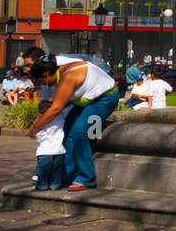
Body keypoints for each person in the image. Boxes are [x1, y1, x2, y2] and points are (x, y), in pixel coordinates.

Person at [26, 54, 120, 192]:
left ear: (46, 74)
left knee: (79, 131)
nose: (43, 85)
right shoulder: (62, 70)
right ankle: (68, 173)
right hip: (88, 99)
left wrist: (34, 129)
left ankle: (87, 178)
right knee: (67, 128)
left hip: (105, 98)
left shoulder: (67, 78)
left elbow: (55, 109)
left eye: (41, 81)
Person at [33, 99, 66, 191]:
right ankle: (55, 185)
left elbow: (35, 135)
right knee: (56, 172)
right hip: (59, 151)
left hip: (44, 152)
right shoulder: (60, 117)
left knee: (43, 172)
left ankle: (42, 186)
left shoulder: (39, 125)